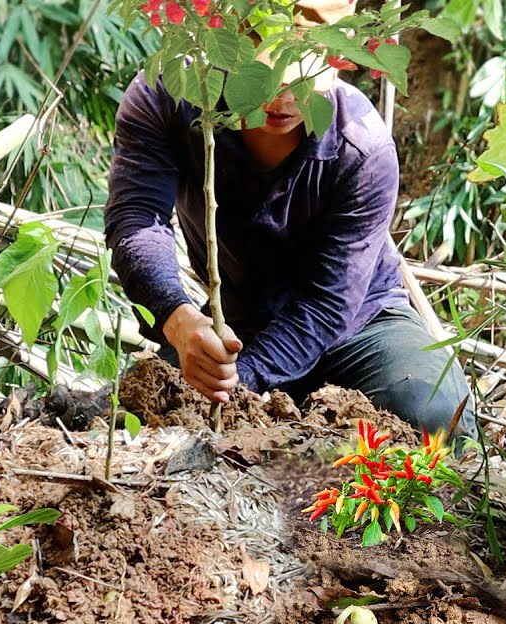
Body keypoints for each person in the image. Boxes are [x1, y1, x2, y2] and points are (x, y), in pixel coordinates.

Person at [104, 0, 476, 441]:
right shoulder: (167, 98)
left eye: (304, 78)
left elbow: (328, 304)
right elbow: (137, 218)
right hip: (236, 323)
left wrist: (245, 380)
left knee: (433, 418)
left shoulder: (362, 148)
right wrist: (177, 316)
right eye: (265, 76)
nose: (283, 97)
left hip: (358, 330)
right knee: (144, 418)